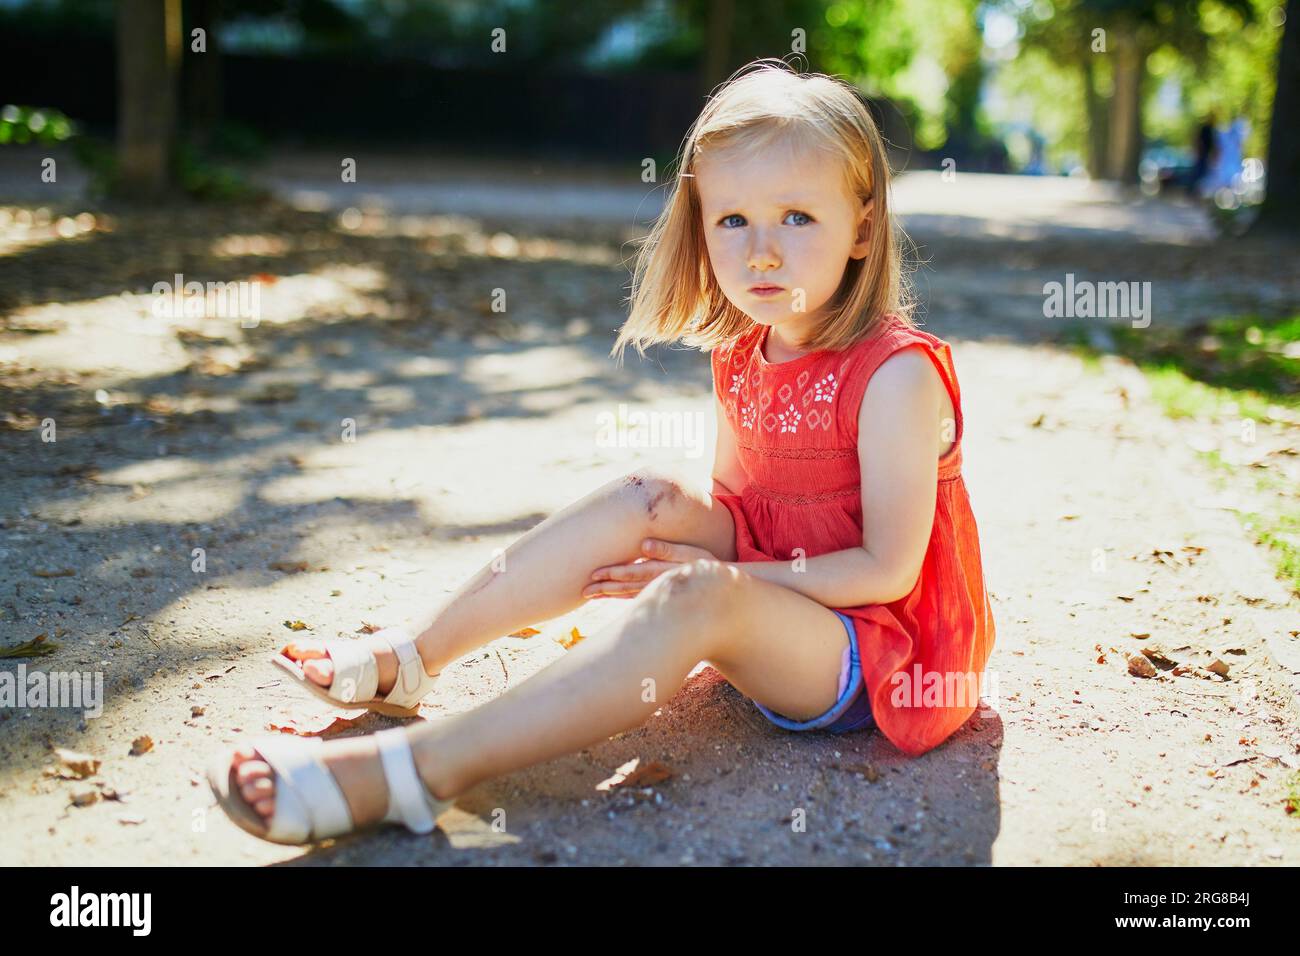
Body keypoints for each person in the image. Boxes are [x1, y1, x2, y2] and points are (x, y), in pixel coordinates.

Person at [207, 58, 998, 845]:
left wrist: (716, 582)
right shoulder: (743, 349)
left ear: (862, 227)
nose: (761, 252)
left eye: (797, 217)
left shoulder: (895, 374)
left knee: (697, 595)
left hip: (875, 652)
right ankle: (412, 658)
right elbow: (736, 511)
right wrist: (697, 551)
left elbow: (886, 571)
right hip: (780, 608)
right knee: (648, 495)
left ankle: (415, 772)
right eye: (732, 220)